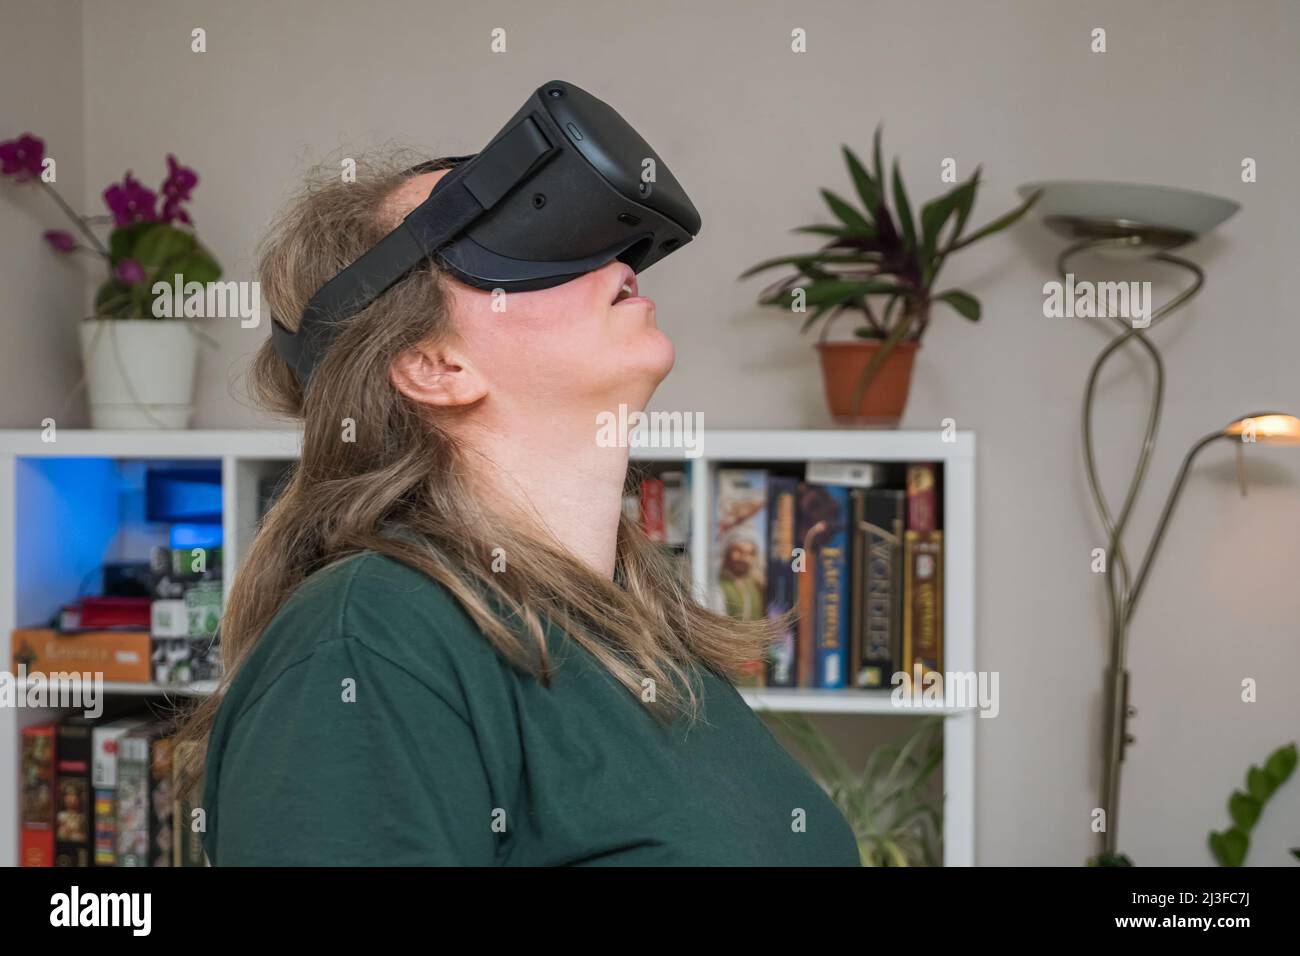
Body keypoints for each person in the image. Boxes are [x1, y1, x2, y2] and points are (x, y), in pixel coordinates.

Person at [174, 154, 860, 866]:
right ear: (433, 366)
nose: (612, 252)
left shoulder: (641, 634)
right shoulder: (367, 645)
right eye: (513, 237)